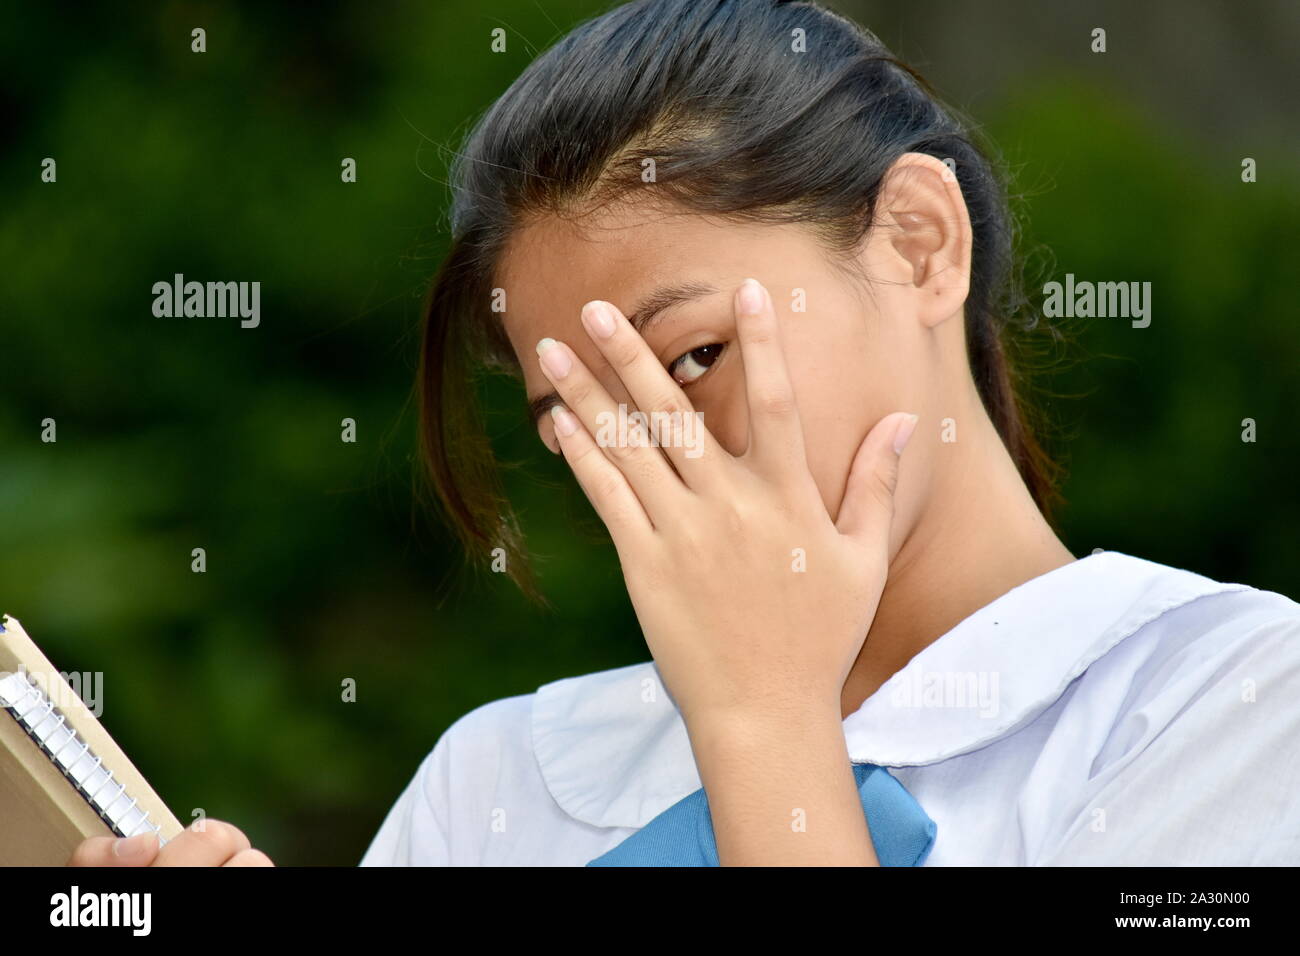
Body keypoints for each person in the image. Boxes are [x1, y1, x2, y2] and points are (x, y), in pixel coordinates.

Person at [70, 0, 1300, 868]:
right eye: (586, 422)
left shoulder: (1230, 701)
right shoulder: (506, 777)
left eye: (693, 358)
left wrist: (766, 720)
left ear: (919, 242)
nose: (656, 455)